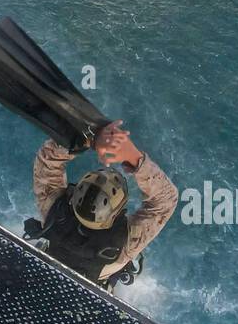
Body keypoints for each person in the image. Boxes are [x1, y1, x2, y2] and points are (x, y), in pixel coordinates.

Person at [29, 119, 179, 288]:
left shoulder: (53, 209)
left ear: (75, 194)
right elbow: (166, 200)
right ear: (114, 213)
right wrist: (134, 158)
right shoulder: (125, 246)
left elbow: (48, 160)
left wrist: (88, 138)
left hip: (45, 275)